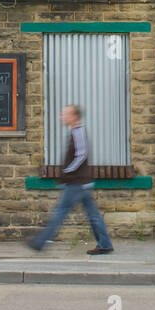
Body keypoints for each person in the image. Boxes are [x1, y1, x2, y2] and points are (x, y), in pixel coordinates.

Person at [26, 104, 114, 254]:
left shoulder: (78, 132)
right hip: (82, 182)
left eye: (66, 114)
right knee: (93, 215)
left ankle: (40, 242)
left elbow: (81, 155)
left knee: (60, 212)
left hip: (76, 183)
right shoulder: (75, 132)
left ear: (75, 117)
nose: (62, 117)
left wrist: (66, 171)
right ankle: (105, 244)